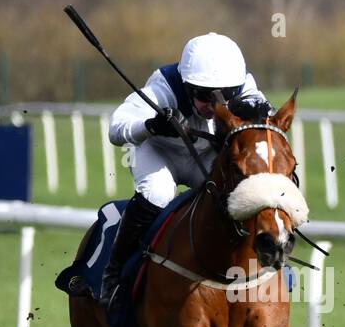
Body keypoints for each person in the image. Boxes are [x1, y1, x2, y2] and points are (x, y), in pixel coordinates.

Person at [100, 32, 270, 303]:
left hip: (204, 158)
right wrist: (150, 126)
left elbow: (268, 125)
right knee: (158, 193)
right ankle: (115, 274)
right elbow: (116, 128)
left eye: (224, 95)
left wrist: (257, 115)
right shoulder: (164, 86)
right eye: (203, 95)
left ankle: (262, 264)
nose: (214, 104)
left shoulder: (244, 86)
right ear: (187, 86)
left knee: (239, 191)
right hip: (158, 154)